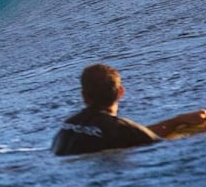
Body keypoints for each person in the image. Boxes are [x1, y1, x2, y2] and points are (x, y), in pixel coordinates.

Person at [51, 63, 206, 156]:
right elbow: (159, 143)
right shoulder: (119, 128)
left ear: (83, 95)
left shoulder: (68, 125)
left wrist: (177, 121)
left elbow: (132, 134)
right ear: (120, 92)